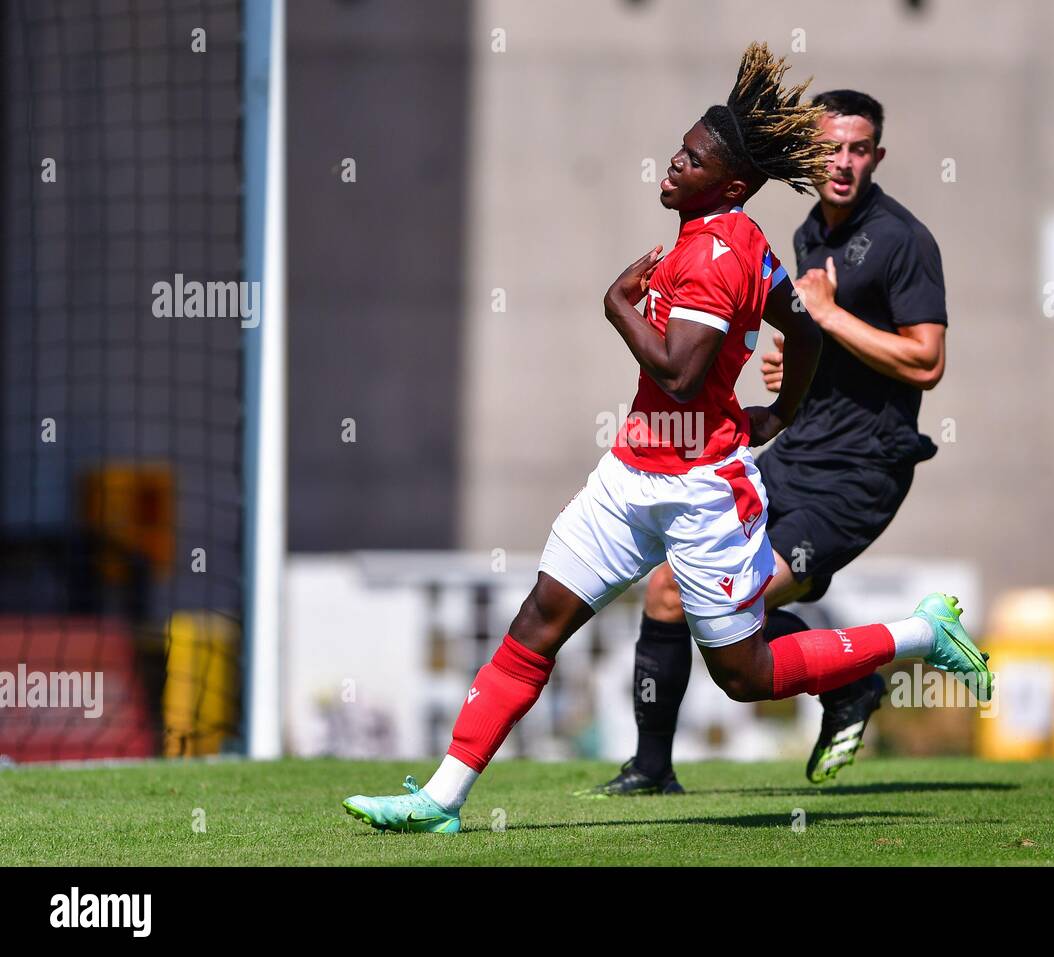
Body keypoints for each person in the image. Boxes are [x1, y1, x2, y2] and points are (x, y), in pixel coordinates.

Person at [342, 44, 989, 834]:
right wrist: (783, 409)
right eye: (680, 149)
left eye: (692, 159)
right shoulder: (748, 240)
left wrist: (617, 305)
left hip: (700, 490)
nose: (673, 164)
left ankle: (921, 631)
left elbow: (682, 376)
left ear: (732, 185)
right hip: (631, 474)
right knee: (536, 621)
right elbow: (798, 321)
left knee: (746, 677)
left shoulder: (714, 258)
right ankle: (440, 799)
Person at [583, 89, 952, 794]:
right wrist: (795, 371)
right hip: (794, 452)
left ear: (877, 155)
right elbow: (809, 333)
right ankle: (652, 768)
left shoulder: (903, 240)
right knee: (667, 590)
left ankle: (853, 679)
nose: (843, 163)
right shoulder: (814, 230)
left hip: (861, 470)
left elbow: (927, 362)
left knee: (729, 610)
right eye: (830, 148)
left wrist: (830, 320)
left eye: (858, 148)